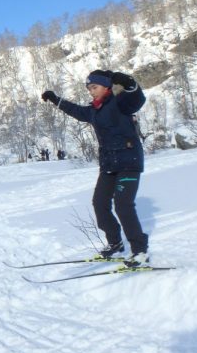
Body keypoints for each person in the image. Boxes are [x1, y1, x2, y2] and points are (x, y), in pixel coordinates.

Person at [42, 70, 150, 267]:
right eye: (89, 88)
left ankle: (140, 251)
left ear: (106, 86)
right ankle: (115, 242)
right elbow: (74, 110)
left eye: (94, 87)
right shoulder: (94, 110)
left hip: (129, 161)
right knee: (99, 203)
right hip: (109, 165)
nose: (91, 92)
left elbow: (137, 97)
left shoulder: (120, 103)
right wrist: (55, 99)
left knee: (123, 204)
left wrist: (128, 82)